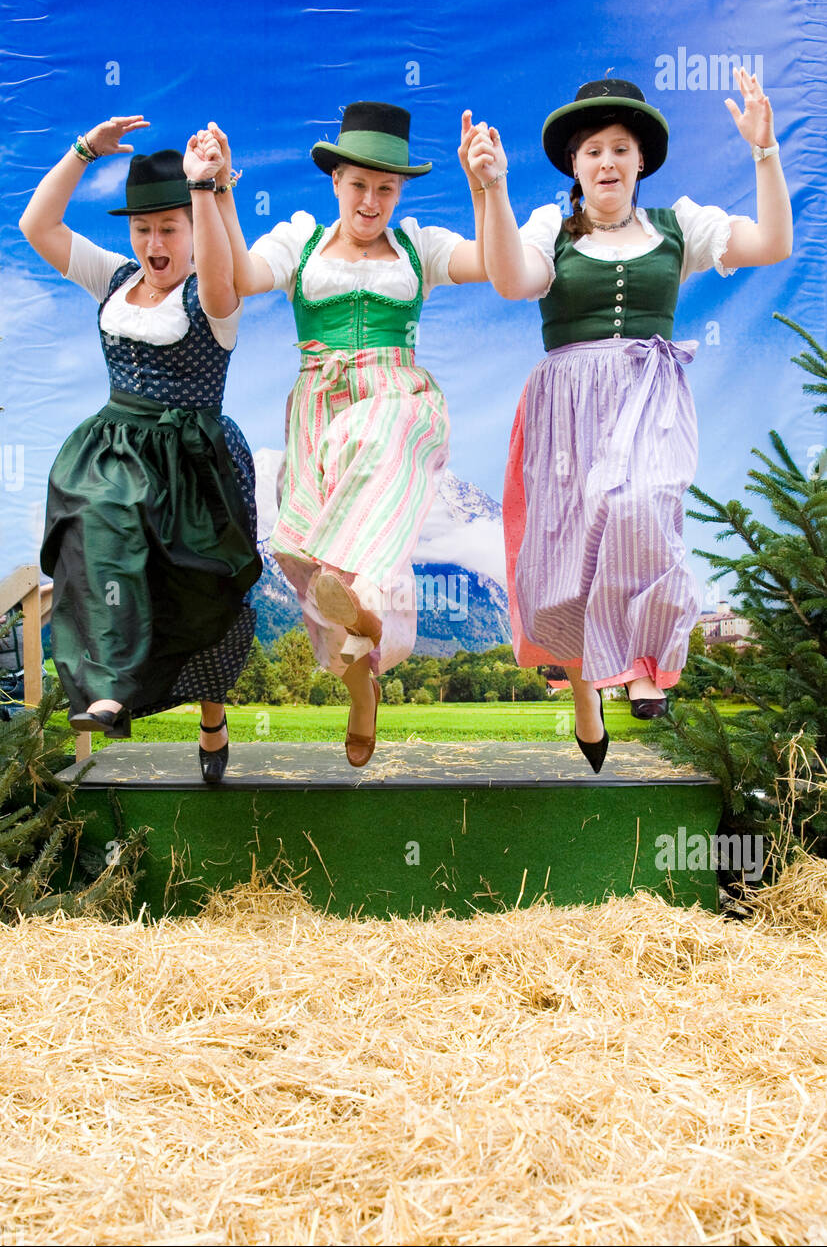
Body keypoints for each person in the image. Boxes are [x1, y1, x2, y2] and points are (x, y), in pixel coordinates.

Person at [468, 71, 792, 772]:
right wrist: (491, 190)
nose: (606, 161)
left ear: (640, 159)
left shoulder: (678, 227)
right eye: (591, 151)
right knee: (569, 558)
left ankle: (645, 662)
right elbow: (508, 280)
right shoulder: (549, 228)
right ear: (574, 166)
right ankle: (585, 696)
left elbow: (770, 245)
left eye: (619, 147)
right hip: (565, 402)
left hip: (648, 394)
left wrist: (765, 154)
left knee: (642, 504)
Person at [200, 101, 488, 765]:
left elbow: (502, 272)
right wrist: (213, 193)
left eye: (386, 187)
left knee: (371, 439)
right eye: (358, 184)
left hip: (396, 400)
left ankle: (365, 614)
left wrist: (485, 186)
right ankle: (362, 683)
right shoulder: (298, 242)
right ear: (335, 181)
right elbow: (230, 286)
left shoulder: (421, 247)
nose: (370, 200)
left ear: (402, 190)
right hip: (316, 410)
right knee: (304, 562)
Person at [19, 118, 262, 783]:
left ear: (191, 226)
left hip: (191, 463)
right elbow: (37, 228)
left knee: (199, 594)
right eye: (142, 228)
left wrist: (207, 188)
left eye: (169, 227)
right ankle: (106, 692)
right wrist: (80, 153)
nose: (154, 242)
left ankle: (212, 719)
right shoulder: (116, 279)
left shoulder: (214, 295)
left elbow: (217, 277)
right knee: (100, 537)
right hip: (116, 454)